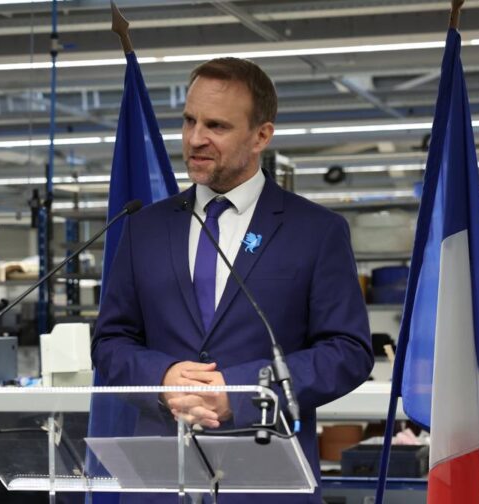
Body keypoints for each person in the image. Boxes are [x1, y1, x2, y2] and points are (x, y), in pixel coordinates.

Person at [91, 57, 373, 503]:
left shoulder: (315, 231)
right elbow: (110, 341)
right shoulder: (142, 227)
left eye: (216, 126)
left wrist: (244, 392)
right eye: (189, 121)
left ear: (262, 135)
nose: (195, 139)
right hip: (162, 482)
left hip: (267, 484)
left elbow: (349, 352)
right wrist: (162, 378)